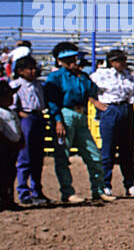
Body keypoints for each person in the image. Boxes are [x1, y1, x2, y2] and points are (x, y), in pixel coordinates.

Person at [44, 41, 105, 204]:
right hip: (65, 114)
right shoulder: (55, 77)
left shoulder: (82, 77)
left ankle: (99, 190)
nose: (72, 61)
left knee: (94, 155)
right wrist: (57, 120)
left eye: (73, 58)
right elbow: (52, 100)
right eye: (67, 59)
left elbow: (91, 91)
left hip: (81, 115)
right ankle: (67, 192)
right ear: (59, 61)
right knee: (63, 156)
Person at [93, 47, 134, 198]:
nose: (123, 63)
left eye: (123, 59)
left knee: (127, 150)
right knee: (108, 149)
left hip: (126, 108)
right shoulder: (101, 75)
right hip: (111, 109)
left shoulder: (129, 75)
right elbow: (88, 88)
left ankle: (130, 184)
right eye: (119, 60)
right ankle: (105, 184)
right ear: (111, 62)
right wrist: (95, 102)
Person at [10, 55, 50, 205]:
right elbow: (13, 107)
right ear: (20, 71)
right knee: (25, 157)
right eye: (30, 69)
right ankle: (23, 191)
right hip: (26, 118)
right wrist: (23, 116)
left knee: (37, 157)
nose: (33, 71)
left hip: (38, 117)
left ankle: (36, 190)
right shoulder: (16, 85)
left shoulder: (38, 85)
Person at [0, 80, 23, 212]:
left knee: (10, 172)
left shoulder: (11, 112)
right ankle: (3, 200)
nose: (11, 98)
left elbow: (18, 128)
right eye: (8, 96)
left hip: (12, 145)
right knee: (4, 173)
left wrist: (20, 140)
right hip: (5, 146)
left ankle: (9, 199)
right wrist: (13, 142)